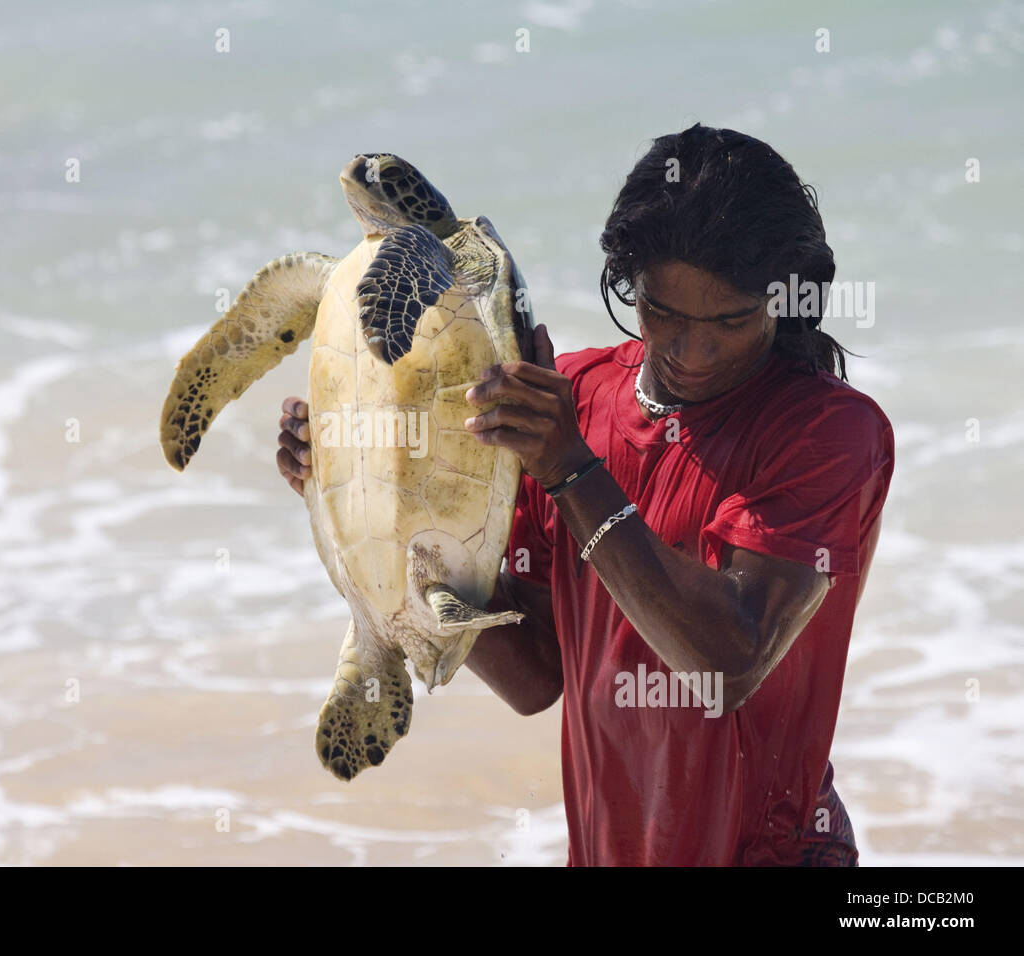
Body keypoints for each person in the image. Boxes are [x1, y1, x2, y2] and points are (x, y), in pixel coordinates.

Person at [275, 124, 895, 866]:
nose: (692, 350)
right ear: (627, 284)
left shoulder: (827, 432)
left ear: (786, 297)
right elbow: (536, 674)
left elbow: (727, 663)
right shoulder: (583, 395)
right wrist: (364, 488)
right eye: (664, 312)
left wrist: (571, 469)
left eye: (731, 320)